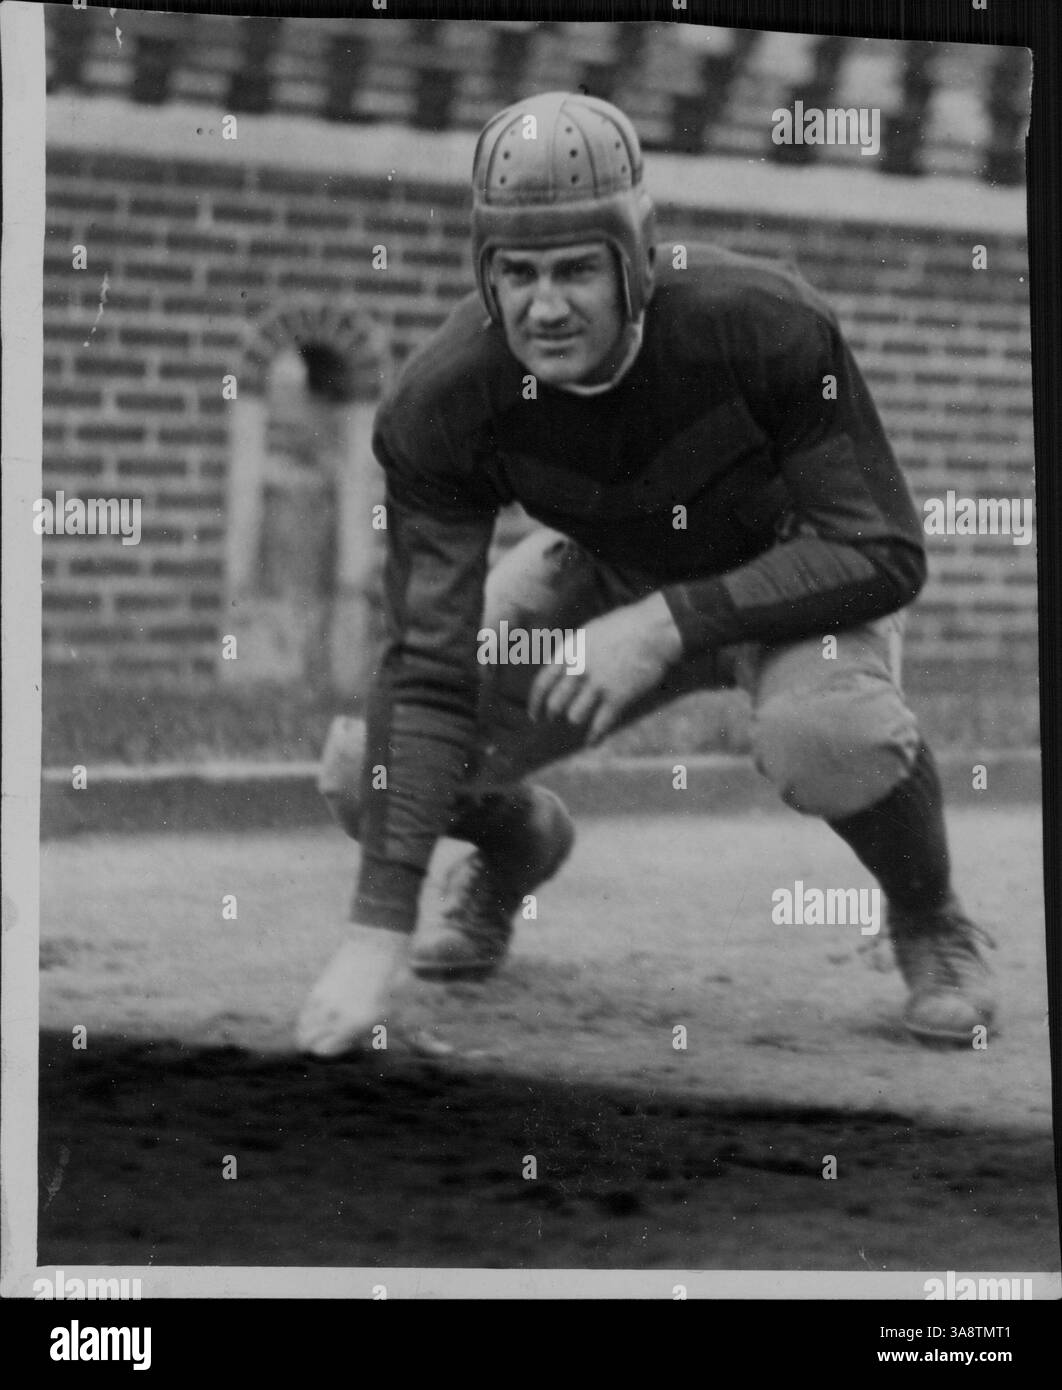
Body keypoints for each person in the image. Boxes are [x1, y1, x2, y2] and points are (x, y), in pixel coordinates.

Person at [295, 91, 995, 1058]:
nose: (545, 305)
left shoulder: (761, 323)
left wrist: (672, 622)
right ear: (484, 272)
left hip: (791, 573)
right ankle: (514, 846)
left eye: (579, 268)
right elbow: (425, 665)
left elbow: (882, 548)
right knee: (361, 773)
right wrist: (376, 932)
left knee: (825, 733)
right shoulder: (446, 400)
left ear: (636, 257)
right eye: (519, 272)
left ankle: (930, 918)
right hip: (604, 570)